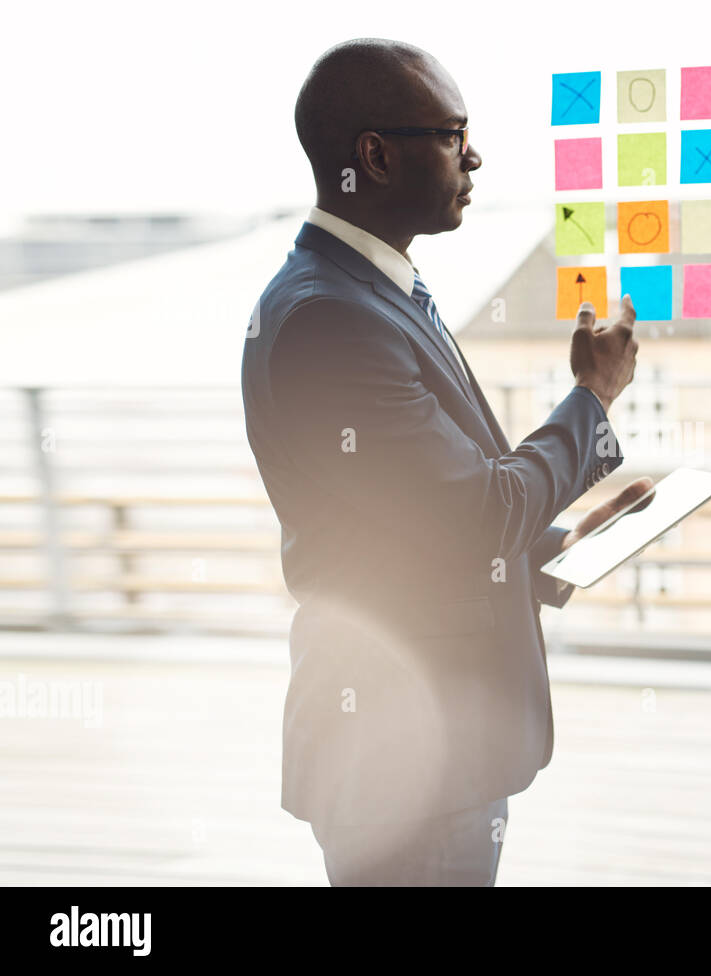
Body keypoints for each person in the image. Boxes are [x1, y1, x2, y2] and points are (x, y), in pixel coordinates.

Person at [240, 37, 651, 885]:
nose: (474, 155)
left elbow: (418, 527)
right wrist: (592, 399)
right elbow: (472, 514)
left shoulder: (375, 293)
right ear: (375, 156)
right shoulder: (334, 320)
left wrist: (553, 545)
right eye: (452, 132)